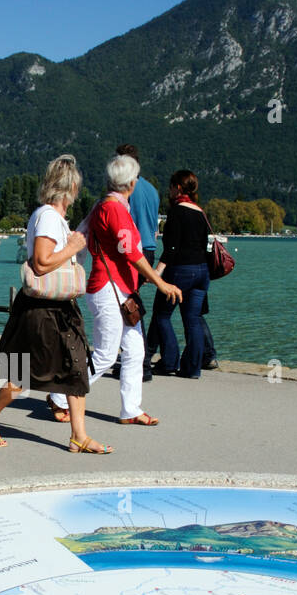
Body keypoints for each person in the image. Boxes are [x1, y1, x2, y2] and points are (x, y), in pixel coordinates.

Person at [0, 155, 112, 452]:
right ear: (72, 186)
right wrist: (75, 246)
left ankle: (79, 435)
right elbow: (40, 263)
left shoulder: (54, 218)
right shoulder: (49, 217)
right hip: (43, 309)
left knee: (75, 368)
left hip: (60, 307)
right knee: (25, 374)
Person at [47, 155, 181, 426]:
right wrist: (160, 281)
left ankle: (130, 409)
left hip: (119, 289)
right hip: (109, 289)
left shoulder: (107, 205)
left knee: (135, 350)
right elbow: (131, 252)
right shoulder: (114, 210)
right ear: (132, 183)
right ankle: (60, 396)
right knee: (107, 354)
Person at [151, 169, 212, 378]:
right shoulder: (200, 211)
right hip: (202, 271)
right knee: (192, 319)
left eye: (170, 186)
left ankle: (169, 362)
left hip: (180, 271)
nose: (169, 190)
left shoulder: (177, 211)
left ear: (177, 188)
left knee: (162, 314)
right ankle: (192, 368)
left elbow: (172, 248)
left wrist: (156, 273)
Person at [115, 143, 157, 383]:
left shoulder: (126, 192)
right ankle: (140, 359)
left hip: (132, 251)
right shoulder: (151, 189)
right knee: (132, 302)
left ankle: (140, 362)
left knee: (128, 305)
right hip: (149, 250)